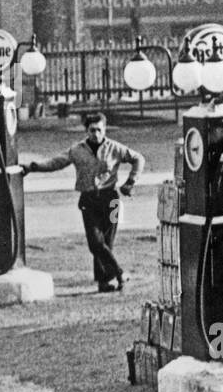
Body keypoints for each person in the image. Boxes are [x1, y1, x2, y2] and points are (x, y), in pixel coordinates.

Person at [23, 112, 145, 292]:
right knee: (95, 243)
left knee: (107, 242)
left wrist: (131, 181)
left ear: (105, 130)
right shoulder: (77, 150)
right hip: (89, 200)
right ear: (86, 131)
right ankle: (119, 273)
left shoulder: (115, 148)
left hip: (111, 200)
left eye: (99, 130)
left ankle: (104, 282)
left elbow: (138, 158)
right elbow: (56, 162)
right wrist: (33, 167)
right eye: (92, 130)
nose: (96, 134)